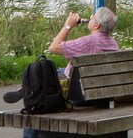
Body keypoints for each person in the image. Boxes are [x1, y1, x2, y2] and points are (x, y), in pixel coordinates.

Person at [10, 7, 118, 138]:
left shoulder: (88, 42)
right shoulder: (112, 43)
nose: (90, 18)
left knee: (35, 104)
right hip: (101, 92)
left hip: (79, 94)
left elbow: (53, 47)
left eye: (93, 17)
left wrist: (68, 25)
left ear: (96, 25)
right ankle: (25, 88)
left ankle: (26, 89)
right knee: (56, 72)